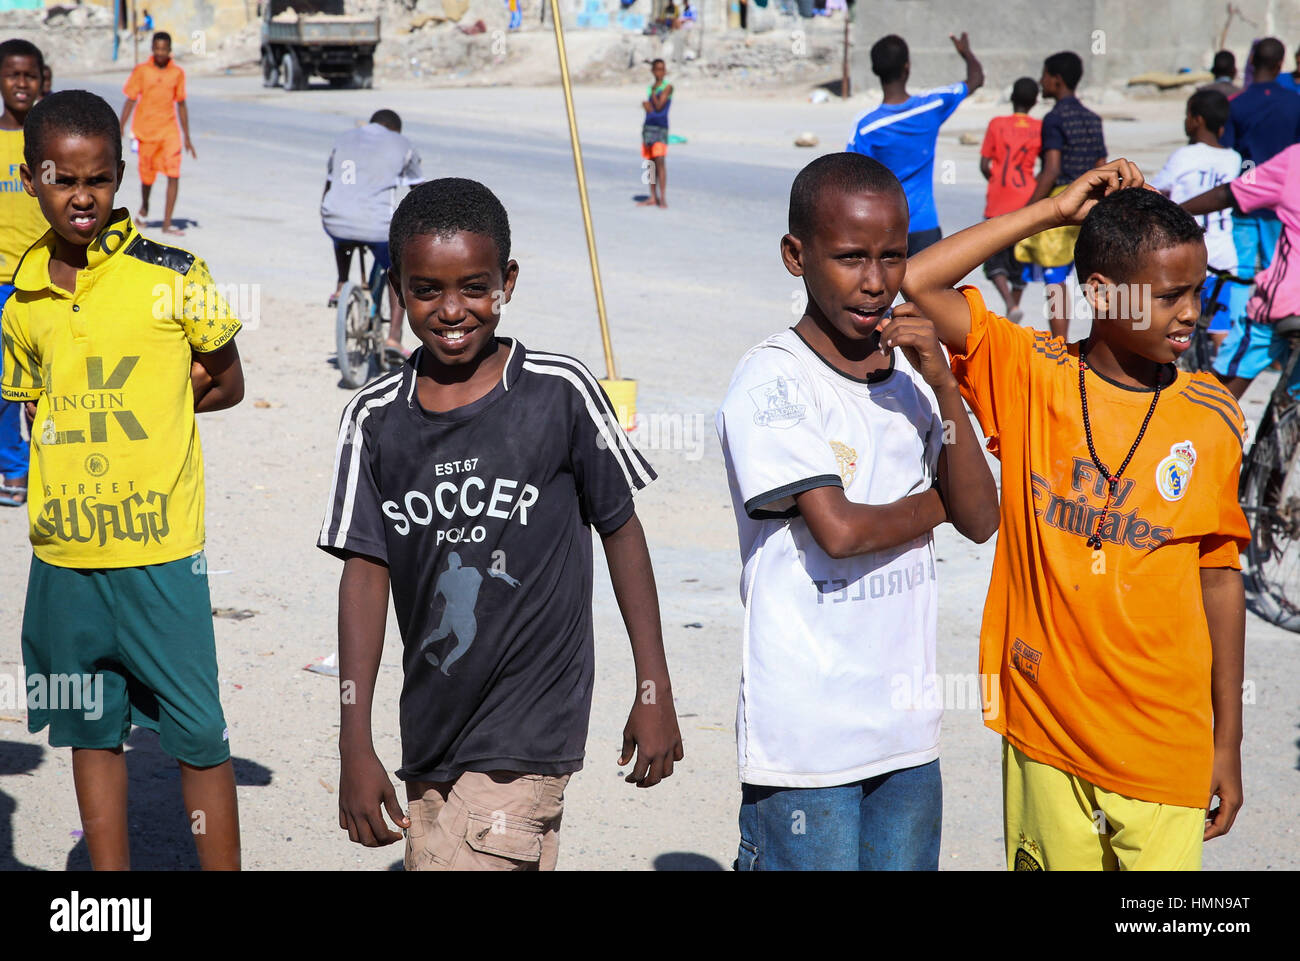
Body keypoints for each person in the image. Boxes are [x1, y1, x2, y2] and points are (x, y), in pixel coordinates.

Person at [318, 178, 683, 871]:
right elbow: (365, 573)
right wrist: (353, 740)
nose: (452, 310)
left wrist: (653, 687)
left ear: (506, 281)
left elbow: (621, 529)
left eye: (474, 287)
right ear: (397, 288)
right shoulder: (374, 418)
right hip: (431, 728)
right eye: (427, 290)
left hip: (530, 725)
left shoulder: (559, 393)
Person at [902, 162, 1249, 871]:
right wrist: (1053, 211)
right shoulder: (1033, 373)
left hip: (1163, 749)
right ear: (1102, 291)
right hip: (1045, 735)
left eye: (1198, 292)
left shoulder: (1213, 418)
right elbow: (918, 282)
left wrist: (1228, 743)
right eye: (1170, 296)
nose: (1191, 312)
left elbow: (1219, 581)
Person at [715, 153, 999, 871]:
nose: (874, 281)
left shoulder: (909, 381)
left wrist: (944, 386)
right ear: (795, 255)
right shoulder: (773, 379)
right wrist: (938, 503)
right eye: (848, 258)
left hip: (904, 731)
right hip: (807, 739)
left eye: (892, 257)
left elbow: (984, 516)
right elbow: (839, 530)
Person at [2, 90, 245, 870]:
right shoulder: (24, 298)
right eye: (62, 179)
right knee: (88, 725)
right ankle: (112, 889)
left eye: (100, 180)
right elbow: (39, 404)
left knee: (198, 732)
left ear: (120, 176)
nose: (83, 197)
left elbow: (225, 378)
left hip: (160, 549)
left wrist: (157, 409)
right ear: (31, 177)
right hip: (65, 555)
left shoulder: (172, 273)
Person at [847, 32, 983, 256]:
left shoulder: (866, 126)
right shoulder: (932, 106)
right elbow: (976, 80)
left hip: (883, 229)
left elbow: (852, 179)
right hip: (925, 227)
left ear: (874, 70)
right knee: (927, 290)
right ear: (907, 67)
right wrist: (966, 53)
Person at [1183, 142, 1300, 398]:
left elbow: (1229, 193)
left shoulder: (1295, 159)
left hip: (1287, 303)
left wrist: (1174, 211)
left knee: (1219, 394)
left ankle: (1209, 420)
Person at [1218, 37, 1300, 372]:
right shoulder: (1295, 103)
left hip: (1245, 197)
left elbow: (1229, 154)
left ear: (1251, 62)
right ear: (1282, 64)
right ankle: (1278, 353)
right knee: (1276, 270)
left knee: (1241, 274)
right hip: (1282, 206)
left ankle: (1236, 339)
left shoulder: (1236, 104)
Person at [1017, 50, 1107, 340]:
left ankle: (1061, 343)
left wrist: (1029, 210)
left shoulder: (1054, 118)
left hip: (1063, 200)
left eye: (1044, 76)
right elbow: (1101, 166)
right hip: (1092, 201)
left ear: (1056, 81)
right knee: (1092, 277)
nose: (1041, 82)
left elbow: (1052, 168)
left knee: (1055, 280)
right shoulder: (1093, 119)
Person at [321, 108, 422, 360]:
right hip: (378, 227)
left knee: (342, 231)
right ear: (395, 129)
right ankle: (394, 339)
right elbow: (418, 192)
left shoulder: (344, 138)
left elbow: (330, 185)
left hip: (333, 219)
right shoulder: (403, 144)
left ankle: (341, 282)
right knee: (398, 270)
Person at [1150, 90, 1241, 354]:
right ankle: (1219, 385)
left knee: (1172, 319)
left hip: (1190, 256)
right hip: (1225, 256)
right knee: (1219, 325)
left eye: (1187, 115)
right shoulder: (1234, 158)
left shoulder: (1184, 156)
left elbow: (1156, 189)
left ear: (1197, 119)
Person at [0, 39, 47, 509]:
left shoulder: (48, 142)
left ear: (41, 80)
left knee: (48, 385)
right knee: (3, 388)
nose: (20, 83)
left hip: (44, 281)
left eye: (29, 75)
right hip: (0, 286)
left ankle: (50, 465)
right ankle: (14, 467)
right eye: (12, 74)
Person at [119, 32, 195, 236]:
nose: (161, 52)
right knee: (147, 179)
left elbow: (181, 104)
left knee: (173, 174)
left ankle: (167, 223)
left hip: (169, 132)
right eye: (157, 48)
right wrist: (121, 125)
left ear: (170, 50)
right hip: (146, 132)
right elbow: (130, 99)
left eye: (164, 49)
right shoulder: (142, 71)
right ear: (152, 49)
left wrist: (186, 136)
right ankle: (144, 207)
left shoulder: (177, 73)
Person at [979, 76, 1041, 321]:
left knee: (994, 261)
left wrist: (996, 181)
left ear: (1012, 97)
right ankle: (1013, 308)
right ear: (1035, 101)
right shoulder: (1040, 128)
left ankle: (1008, 304)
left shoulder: (996, 124)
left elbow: (984, 164)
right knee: (1019, 261)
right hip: (1026, 198)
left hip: (998, 200)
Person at [639, 59, 672, 209]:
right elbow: (651, 109)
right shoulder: (649, 88)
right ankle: (653, 196)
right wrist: (647, 107)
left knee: (660, 161)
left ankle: (663, 197)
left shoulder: (668, 87)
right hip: (649, 127)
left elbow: (659, 106)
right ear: (653, 71)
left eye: (662, 69)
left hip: (661, 127)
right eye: (657, 69)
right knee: (650, 163)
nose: (659, 72)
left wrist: (651, 101)